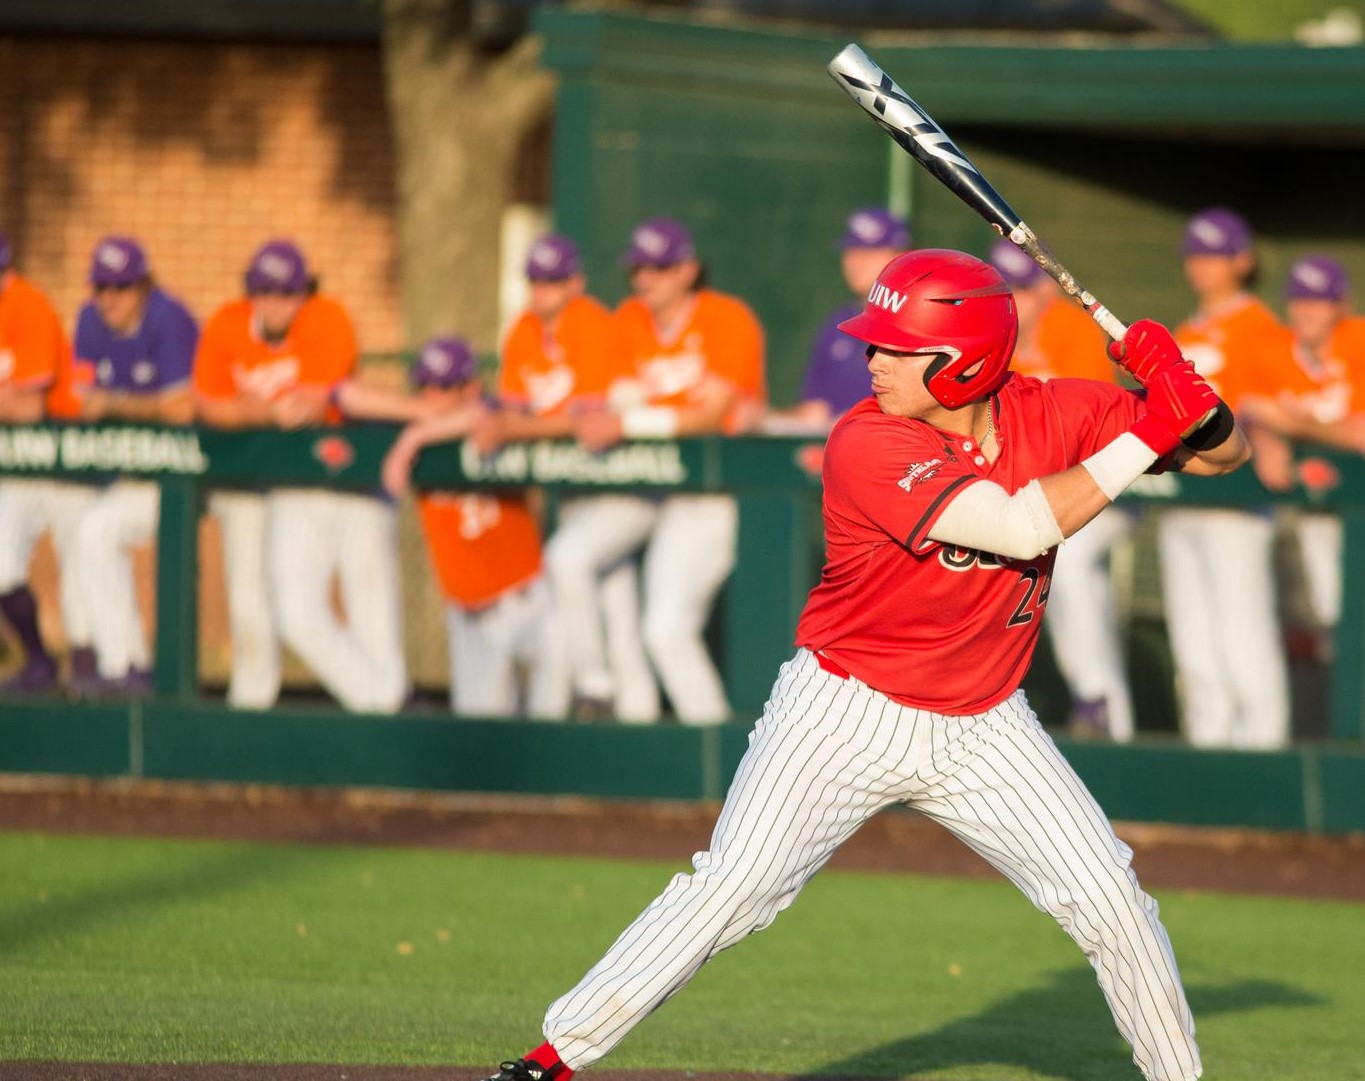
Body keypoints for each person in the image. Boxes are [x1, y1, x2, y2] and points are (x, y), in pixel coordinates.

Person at [476, 247, 1247, 1081]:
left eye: (894, 348)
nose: (869, 359)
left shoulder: (1056, 409)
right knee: (732, 888)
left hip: (984, 720)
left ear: (963, 362)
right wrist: (1151, 428)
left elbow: (1222, 455)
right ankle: (552, 1059)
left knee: (1110, 899)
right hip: (844, 710)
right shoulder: (864, 438)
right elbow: (1021, 527)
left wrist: (1188, 396)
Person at [565, 216, 766, 725]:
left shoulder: (726, 317)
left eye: (657, 267)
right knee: (572, 559)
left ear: (687, 270)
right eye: (638, 268)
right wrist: (652, 413)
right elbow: (597, 405)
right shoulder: (629, 319)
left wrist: (635, 416)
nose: (644, 279)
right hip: (650, 484)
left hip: (714, 489)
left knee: (666, 628)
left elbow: (713, 413)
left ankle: (724, 761)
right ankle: (612, 701)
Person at [193, 239, 405, 713]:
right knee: (294, 616)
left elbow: (308, 404)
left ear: (303, 292)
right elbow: (209, 405)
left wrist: (247, 409)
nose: (274, 302)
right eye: (263, 291)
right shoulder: (228, 324)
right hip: (291, 487)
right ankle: (384, 705)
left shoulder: (326, 317)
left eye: (286, 292)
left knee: (374, 616)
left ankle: (385, 720)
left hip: (351, 481)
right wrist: (264, 411)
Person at [471, 234, 630, 719]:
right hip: (576, 490)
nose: (542, 289)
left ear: (574, 282)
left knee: (607, 600)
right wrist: (510, 424)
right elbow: (514, 409)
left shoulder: (590, 323)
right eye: (535, 280)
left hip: (622, 481)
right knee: (611, 608)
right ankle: (613, 711)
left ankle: (597, 692)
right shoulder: (522, 329)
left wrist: (518, 428)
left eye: (553, 280)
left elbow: (585, 418)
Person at [373, 338, 568, 719]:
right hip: (470, 617)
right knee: (486, 748)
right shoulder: (418, 433)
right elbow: (346, 395)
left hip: (529, 600)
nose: (432, 397)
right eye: (424, 386)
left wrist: (414, 437)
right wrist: (415, 430)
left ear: (471, 386)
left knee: (555, 731)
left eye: (444, 387)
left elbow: (483, 414)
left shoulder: (491, 419)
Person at [990, 238, 1137, 741]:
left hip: (1104, 491)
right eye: (1005, 290)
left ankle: (1094, 696)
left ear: (1045, 295)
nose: (1016, 301)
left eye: (1024, 291)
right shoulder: (995, 341)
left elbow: (1092, 431)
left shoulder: (1073, 332)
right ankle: (1099, 702)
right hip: (1043, 495)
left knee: (1065, 563)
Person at [1160, 207, 1292, 750]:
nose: (1203, 266)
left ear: (1243, 260)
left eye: (1214, 254)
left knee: (1244, 635)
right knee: (1195, 644)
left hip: (1238, 502)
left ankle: (1262, 754)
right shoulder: (1188, 330)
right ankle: (1207, 753)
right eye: (1196, 254)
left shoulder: (1261, 326)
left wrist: (1274, 434)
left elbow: (1280, 406)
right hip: (1185, 496)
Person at [1240, 254, 1365, 632]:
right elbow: (1249, 406)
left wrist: (1292, 423)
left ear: (1342, 305)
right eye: (1299, 300)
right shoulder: (1275, 346)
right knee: (1329, 624)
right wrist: (1265, 434)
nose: (1307, 311)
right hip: (1320, 503)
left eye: (1319, 301)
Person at [67, 236, 200, 696]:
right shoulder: (89, 321)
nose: (108, 298)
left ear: (144, 285)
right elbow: (80, 399)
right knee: (90, 529)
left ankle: (132, 669)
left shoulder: (169, 317)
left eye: (120, 286)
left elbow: (183, 409)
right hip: (135, 474)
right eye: (100, 287)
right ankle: (122, 667)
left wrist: (116, 404)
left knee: (253, 605)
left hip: (198, 474)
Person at [0, 229, 91, 695]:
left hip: (67, 458)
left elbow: (31, 407)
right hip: (19, 463)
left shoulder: (26, 305)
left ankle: (89, 675)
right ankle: (38, 660)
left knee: (81, 572)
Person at [763, 206, 908, 432]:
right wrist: (766, 419)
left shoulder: (918, 321)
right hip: (842, 448)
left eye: (870, 252)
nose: (856, 262)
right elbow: (815, 410)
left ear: (900, 255)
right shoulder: (839, 324)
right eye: (851, 251)